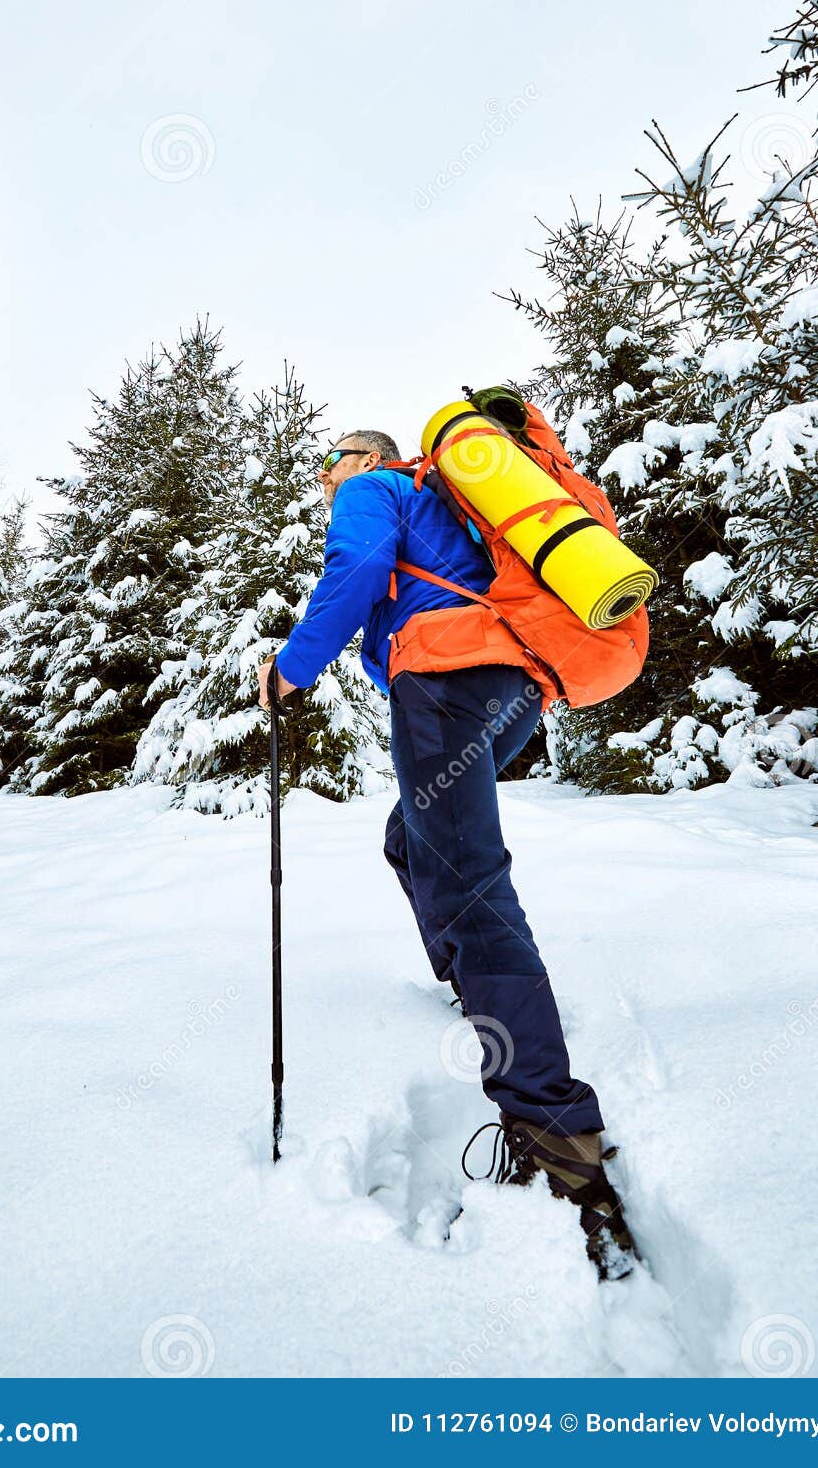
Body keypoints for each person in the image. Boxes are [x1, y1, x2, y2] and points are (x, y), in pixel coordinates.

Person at [256, 430, 635, 1279]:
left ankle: (552, 1130)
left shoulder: (376, 487)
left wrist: (290, 669)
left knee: (468, 881)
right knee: (413, 837)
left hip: (447, 676)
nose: (325, 477)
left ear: (365, 457)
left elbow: (356, 571)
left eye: (332, 461)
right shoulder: (452, 506)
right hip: (512, 689)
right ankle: (476, 991)